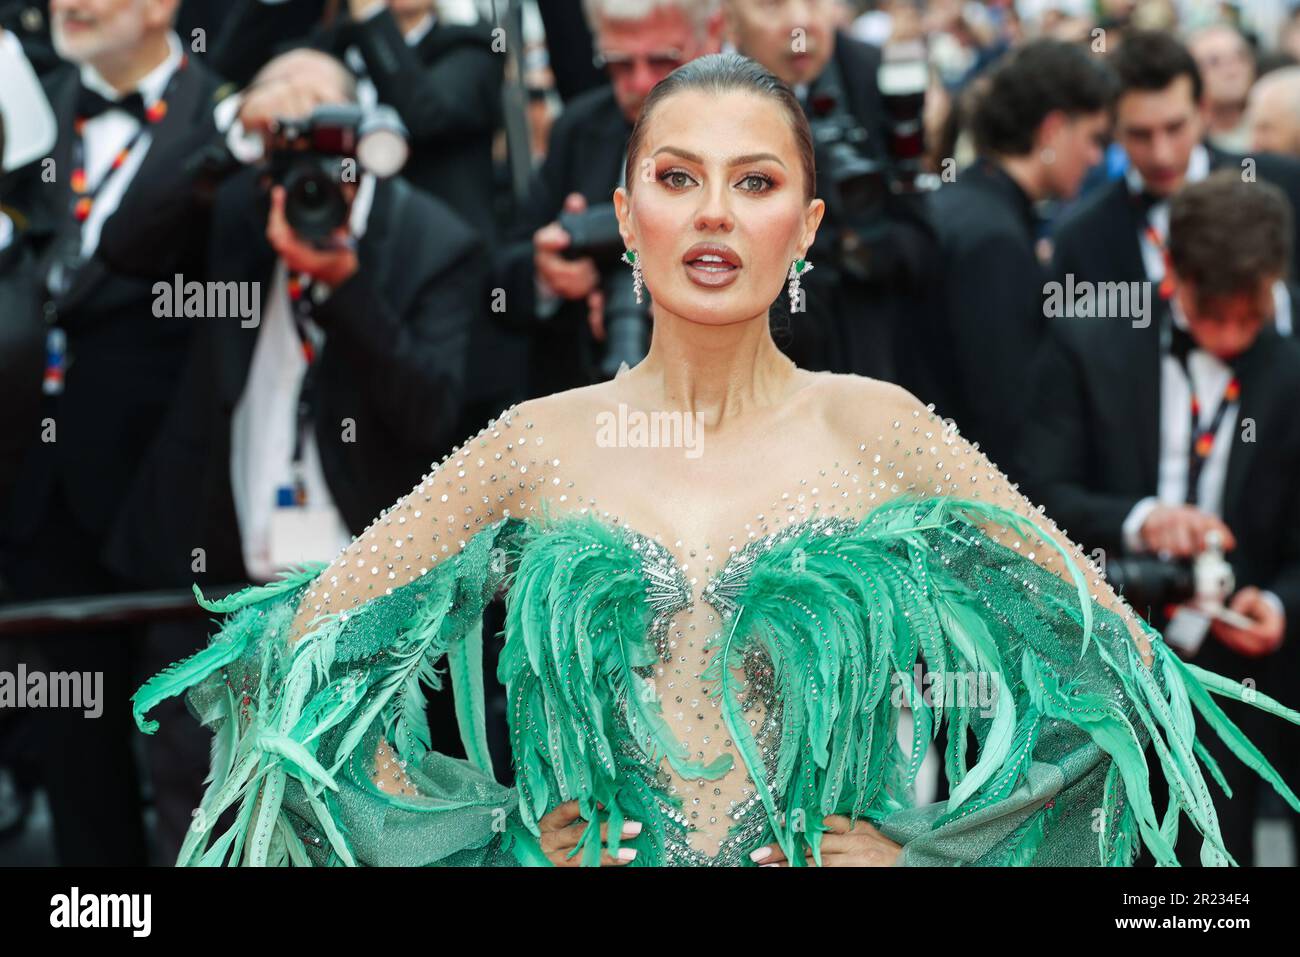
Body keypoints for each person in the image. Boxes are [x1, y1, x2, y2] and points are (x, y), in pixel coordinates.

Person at [134, 53, 1300, 868]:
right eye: (677, 178)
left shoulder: (880, 429)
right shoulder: (534, 443)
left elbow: (1116, 672)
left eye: (755, 184)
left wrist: (934, 854)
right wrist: (484, 836)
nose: (713, 216)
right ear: (626, 213)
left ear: (803, 227)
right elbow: (286, 653)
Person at [1018, 171, 1300, 865]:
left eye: (1251, 314)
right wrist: (1141, 519)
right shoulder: (1088, 342)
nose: (1234, 334)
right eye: (1217, 315)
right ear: (1170, 272)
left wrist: (1279, 603)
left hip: (1236, 687)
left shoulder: (1290, 370)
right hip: (1097, 665)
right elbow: (1030, 493)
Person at [1, 0, 222, 866]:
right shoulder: (25, 113)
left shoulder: (229, 114)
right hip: (40, 492)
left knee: (196, 757)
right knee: (72, 747)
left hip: (182, 491)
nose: (71, 5)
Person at [910, 38, 1114, 475]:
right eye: (1093, 138)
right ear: (1053, 130)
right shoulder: (994, 237)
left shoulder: (965, 203)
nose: (1096, 158)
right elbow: (1002, 414)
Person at [1052, 30, 1300, 338]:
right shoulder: (1080, 238)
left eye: (1175, 128)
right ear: (1113, 129)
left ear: (1203, 111)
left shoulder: (1284, 186)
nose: (1162, 155)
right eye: (1140, 134)